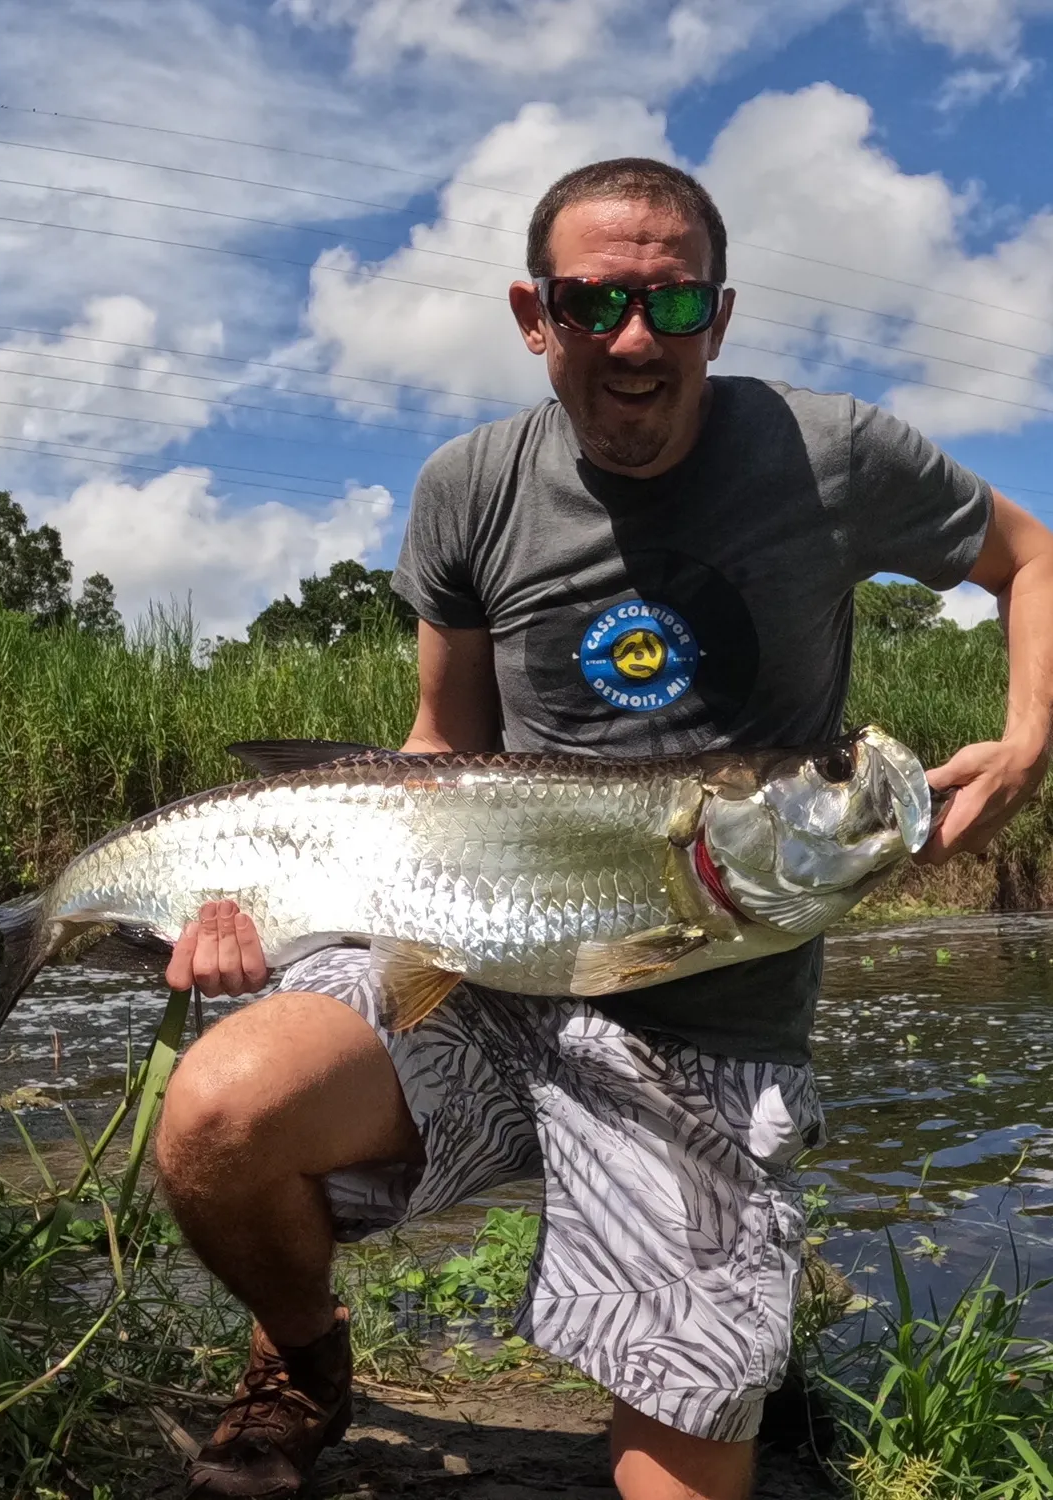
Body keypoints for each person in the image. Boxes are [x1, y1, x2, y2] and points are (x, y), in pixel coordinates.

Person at [154, 158, 1053, 1500]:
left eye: (674, 305)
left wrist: (1032, 736)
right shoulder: (469, 486)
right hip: (478, 975)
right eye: (597, 304)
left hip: (705, 1030)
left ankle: (727, 1357)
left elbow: (1031, 555)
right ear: (537, 317)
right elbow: (436, 752)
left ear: (721, 315)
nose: (638, 340)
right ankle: (304, 1353)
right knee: (221, 1109)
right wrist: (283, 925)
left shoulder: (835, 456)